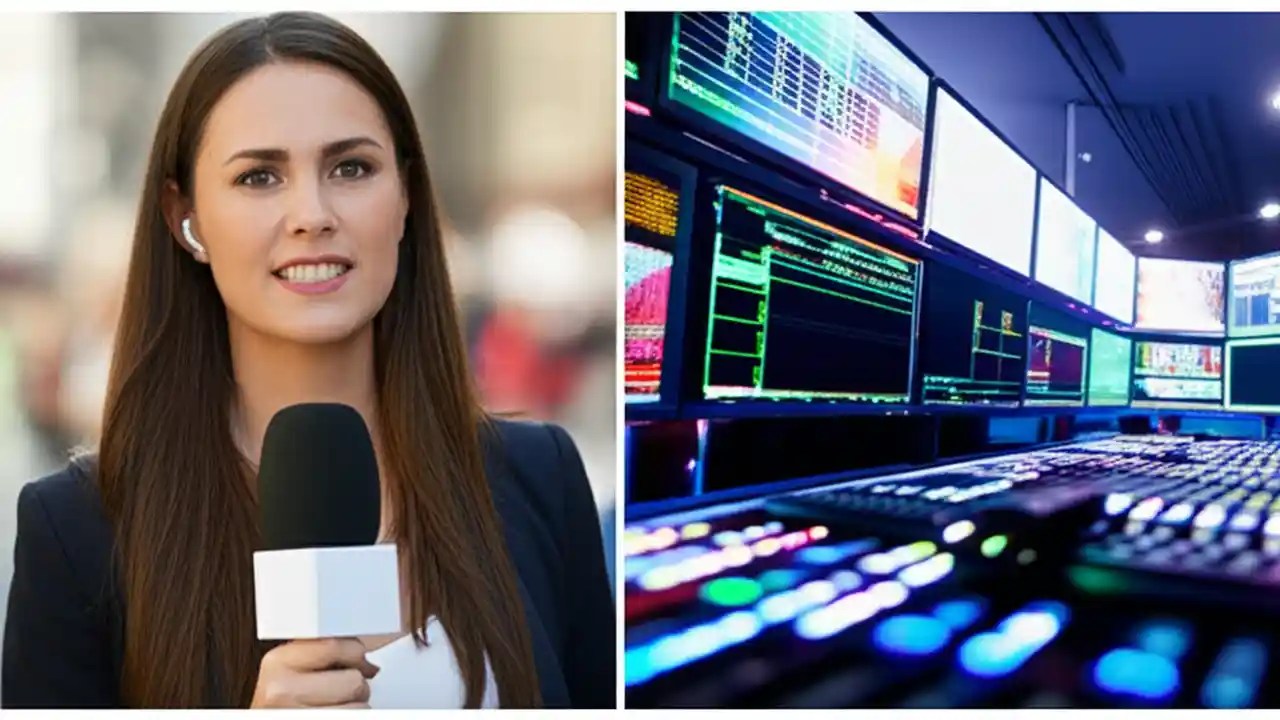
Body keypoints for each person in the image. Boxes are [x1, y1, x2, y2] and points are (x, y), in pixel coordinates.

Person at [1, 12, 615, 710]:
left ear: (406, 195)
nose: (312, 213)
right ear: (185, 218)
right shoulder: (80, 530)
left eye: (350, 167)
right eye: (260, 176)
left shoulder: (541, 477)